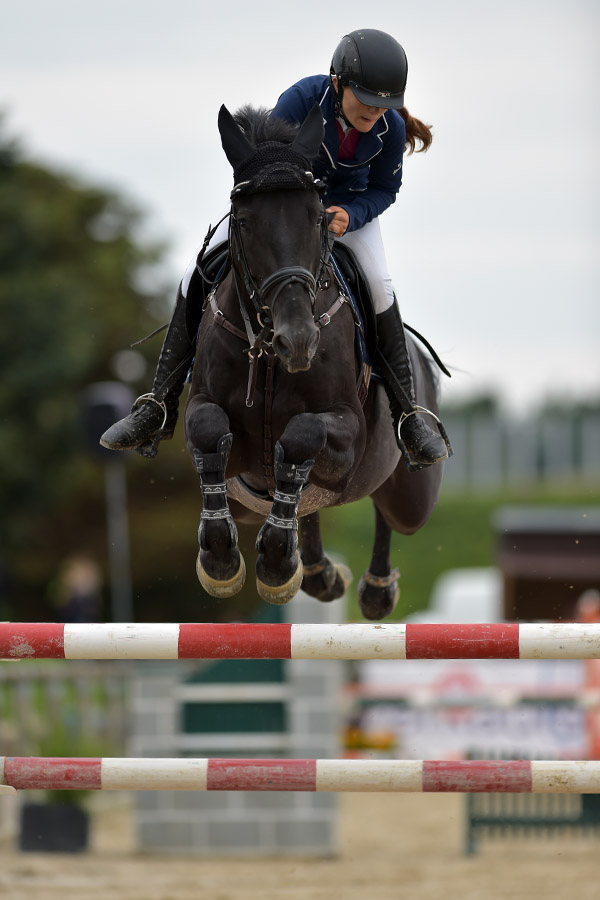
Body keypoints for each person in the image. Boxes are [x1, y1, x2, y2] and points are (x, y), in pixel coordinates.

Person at [101, 28, 448, 467]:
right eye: (367, 101)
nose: (376, 113)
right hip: (281, 214)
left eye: (384, 106)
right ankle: (159, 404)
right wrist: (299, 214)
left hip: (346, 219)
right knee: (196, 272)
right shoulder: (299, 102)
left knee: (379, 284)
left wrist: (350, 214)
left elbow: (385, 190)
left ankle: (408, 417)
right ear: (338, 83)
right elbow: (261, 167)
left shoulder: (391, 128)